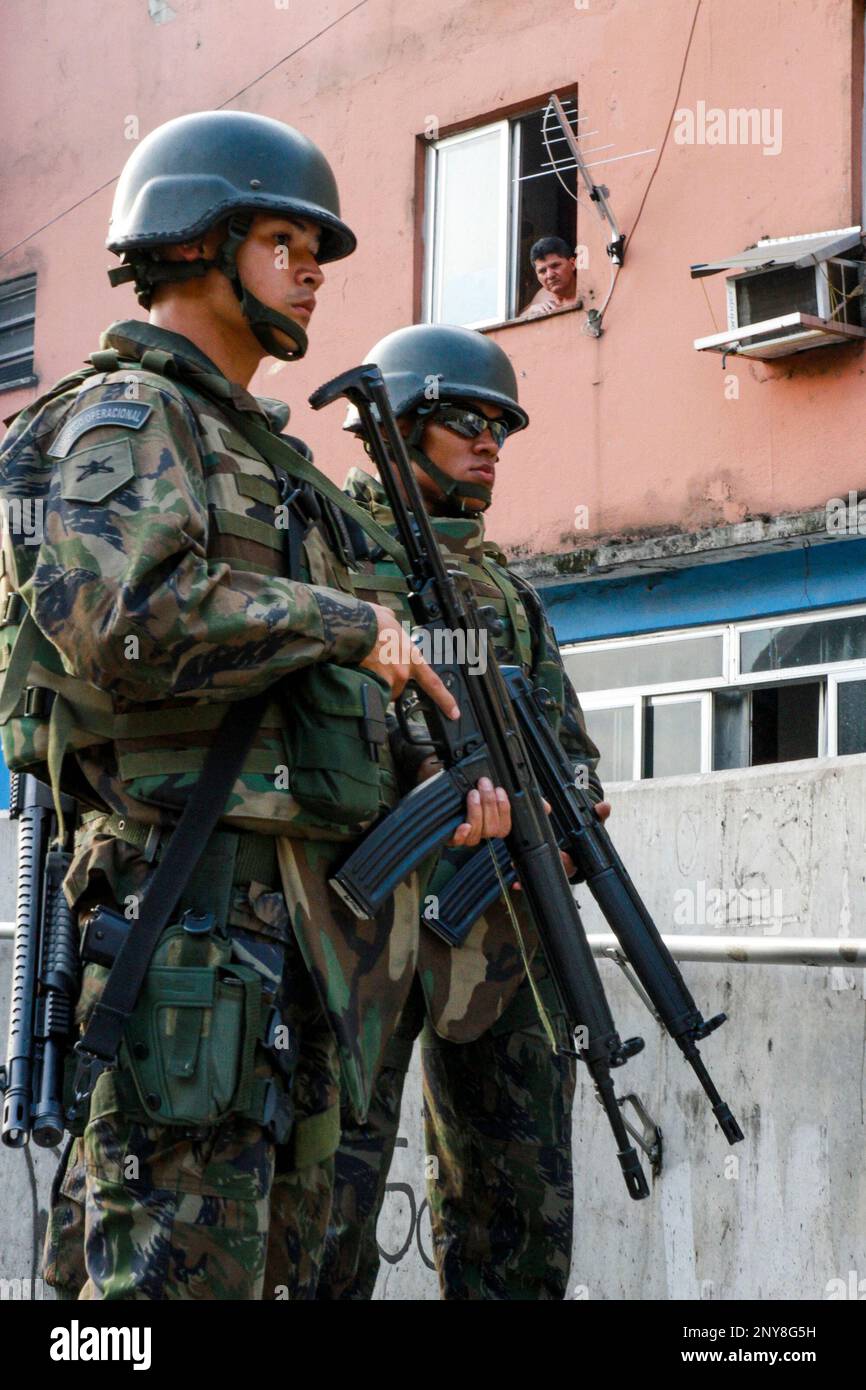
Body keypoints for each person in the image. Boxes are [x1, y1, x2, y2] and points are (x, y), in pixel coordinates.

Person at [0, 111, 509, 1300]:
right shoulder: (124, 418)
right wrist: (339, 622)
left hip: (295, 941)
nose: (314, 271)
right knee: (158, 1293)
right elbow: (121, 621)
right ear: (197, 242)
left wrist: (440, 787)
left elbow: (327, 698)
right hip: (188, 929)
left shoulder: (272, 464)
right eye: (285, 239)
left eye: (318, 247)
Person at [315, 323, 608, 1301]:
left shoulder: (506, 592)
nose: (488, 441)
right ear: (396, 427)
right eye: (463, 419)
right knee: (327, 1206)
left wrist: (563, 821)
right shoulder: (328, 559)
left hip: (500, 922)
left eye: (501, 426)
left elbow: (568, 753)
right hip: (355, 923)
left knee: (519, 1203)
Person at [519, 235, 579, 319]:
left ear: (572, 264)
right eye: (542, 271)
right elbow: (517, 320)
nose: (550, 275)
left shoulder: (587, 291)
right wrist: (530, 312)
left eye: (555, 266)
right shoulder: (543, 295)